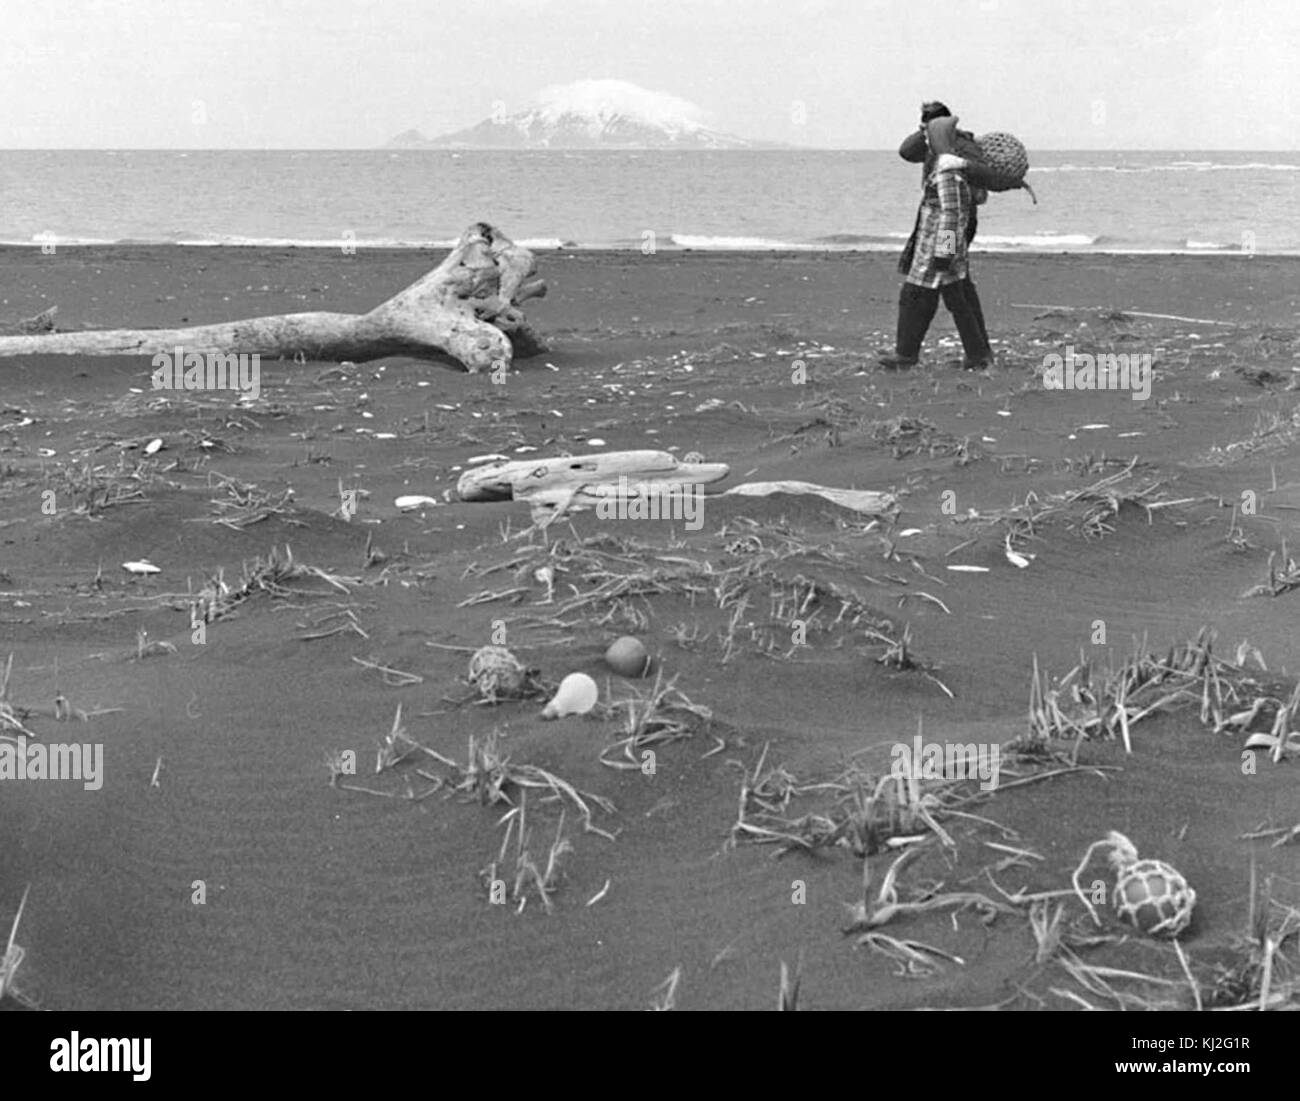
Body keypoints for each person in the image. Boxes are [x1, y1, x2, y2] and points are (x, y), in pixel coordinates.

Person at [879, 102, 993, 371]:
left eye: (928, 127)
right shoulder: (943, 152)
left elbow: (951, 213)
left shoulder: (950, 164)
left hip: (943, 233)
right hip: (944, 229)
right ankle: (979, 355)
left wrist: (945, 251)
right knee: (957, 291)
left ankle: (906, 355)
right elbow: (907, 151)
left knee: (919, 291)